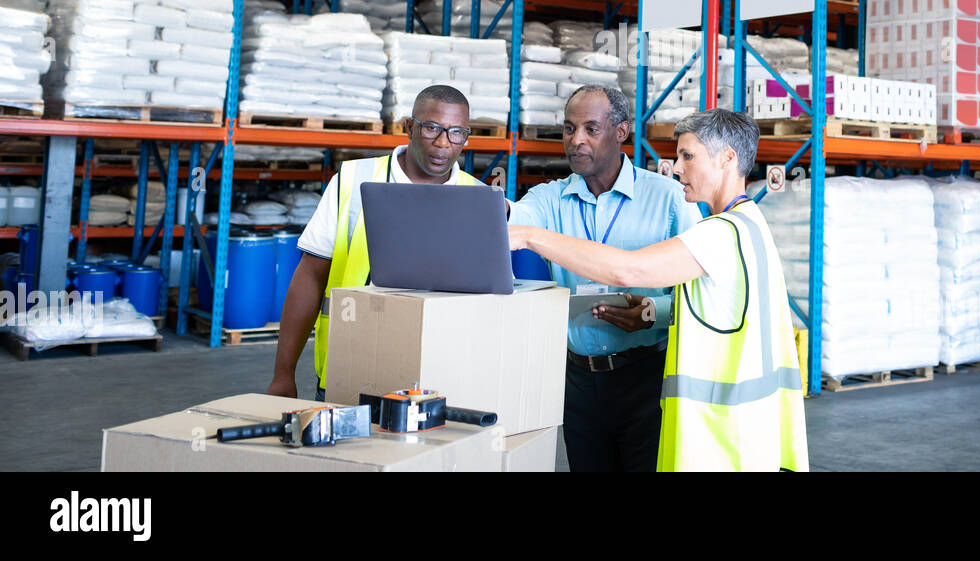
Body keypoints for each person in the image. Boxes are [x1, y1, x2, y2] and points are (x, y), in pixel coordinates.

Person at [509, 107, 808, 472]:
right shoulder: (749, 223)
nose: (677, 167)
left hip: (720, 432)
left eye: (688, 156)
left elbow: (626, 269)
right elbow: (713, 307)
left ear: (727, 159)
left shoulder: (718, 234)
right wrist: (652, 310)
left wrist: (530, 237)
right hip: (744, 427)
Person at [507, 85, 700, 472]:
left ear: (621, 132)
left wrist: (653, 311)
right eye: (568, 128)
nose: (575, 140)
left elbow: (697, 293)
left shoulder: (669, 200)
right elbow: (512, 220)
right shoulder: (547, 199)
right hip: (578, 382)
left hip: (648, 378)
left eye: (590, 129)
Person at [267, 84, 483, 401]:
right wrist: (283, 374)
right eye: (431, 128)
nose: (442, 143)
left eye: (456, 133)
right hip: (349, 369)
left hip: (437, 379)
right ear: (409, 127)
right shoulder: (352, 180)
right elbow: (311, 276)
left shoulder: (476, 198)